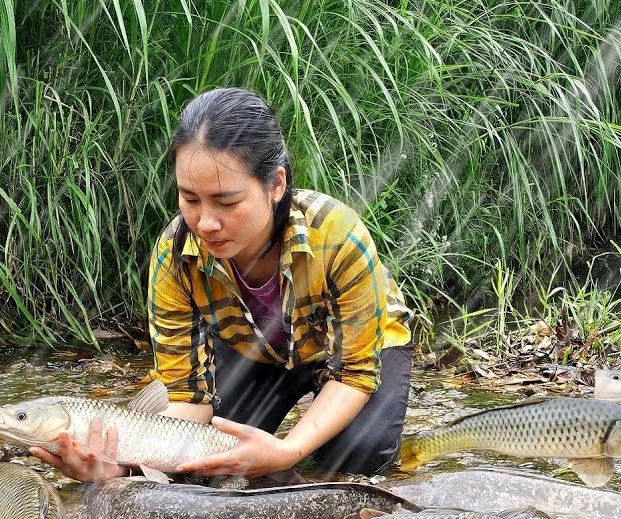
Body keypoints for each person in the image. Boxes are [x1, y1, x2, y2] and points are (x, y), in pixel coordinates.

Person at [32, 87, 414, 483]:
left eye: (226, 202)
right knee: (202, 467)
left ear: (276, 185)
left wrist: (288, 451)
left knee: (356, 461)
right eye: (190, 199)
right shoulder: (175, 255)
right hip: (253, 348)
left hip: (356, 349)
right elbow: (187, 397)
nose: (206, 223)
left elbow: (352, 373)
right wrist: (126, 464)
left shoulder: (338, 236)